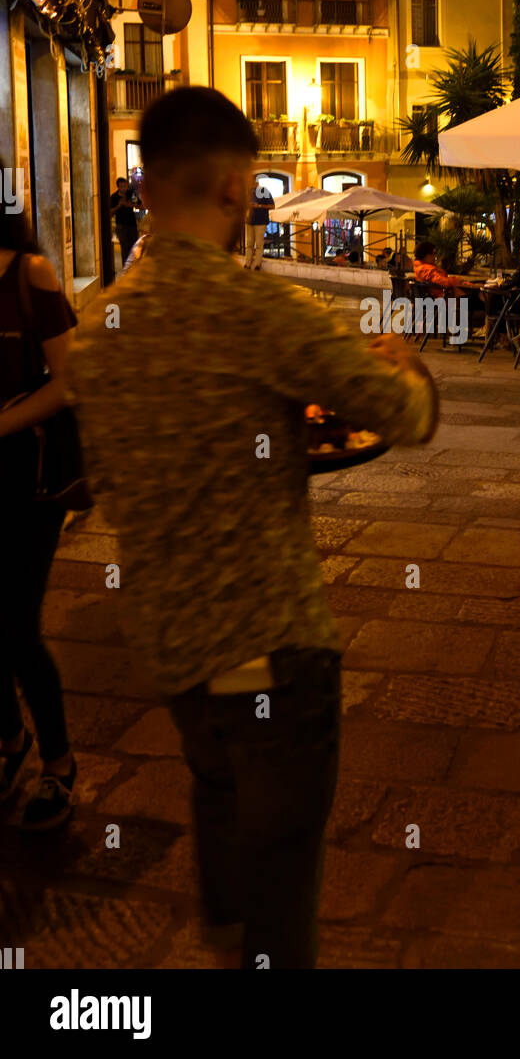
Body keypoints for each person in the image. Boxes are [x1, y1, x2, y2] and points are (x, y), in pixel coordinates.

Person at [66, 87, 439, 969]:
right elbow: (402, 413)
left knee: (228, 856)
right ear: (239, 190)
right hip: (270, 640)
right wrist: (407, 361)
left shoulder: (100, 328)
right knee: (282, 893)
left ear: (146, 187)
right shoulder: (257, 312)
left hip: (173, 648)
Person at [0, 163, 77, 830]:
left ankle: (58, 764)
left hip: (27, 477)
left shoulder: (30, 275)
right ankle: (8, 737)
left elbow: (69, 383)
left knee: (17, 627)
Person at [244, 178, 275, 270]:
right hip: (249, 221)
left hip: (261, 222)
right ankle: (247, 264)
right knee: (249, 244)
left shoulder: (264, 191)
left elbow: (272, 206)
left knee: (259, 244)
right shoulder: (248, 192)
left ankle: (257, 265)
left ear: (256, 182)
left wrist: (259, 206)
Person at [110, 176, 141, 268]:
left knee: (134, 247)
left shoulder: (131, 194)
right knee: (124, 247)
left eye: (125, 186)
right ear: (118, 187)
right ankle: (126, 268)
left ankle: (134, 267)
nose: (124, 188)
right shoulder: (114, 197)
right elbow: (110, 212)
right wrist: (119, 205)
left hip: (132, 224)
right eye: (122, 186)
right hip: (121, 225)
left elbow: (141, 205)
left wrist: (129, 205)